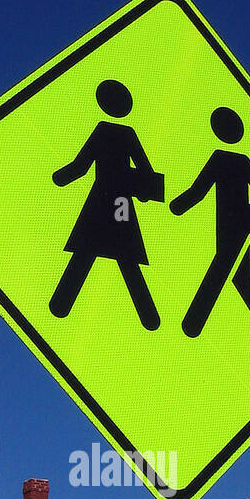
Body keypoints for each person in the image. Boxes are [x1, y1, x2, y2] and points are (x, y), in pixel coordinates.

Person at [49, 80, 165, 330]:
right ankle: (149, 317)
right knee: (124, 255)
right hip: (122, 201)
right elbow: (146, 171)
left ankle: (61, 305)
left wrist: (59, 177)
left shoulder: (104, 131)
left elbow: (81, 166)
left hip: (102, 198)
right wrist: (145, 190)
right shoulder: (127, 134)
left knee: (89, 250)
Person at [170, 106, 250, 349]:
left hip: (231, 225)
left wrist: (177, 206)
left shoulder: (221, 159)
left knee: (222, 269)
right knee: (242, 279)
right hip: (242, 224)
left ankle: (192, 324)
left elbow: (198, 191)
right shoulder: (240, 161)